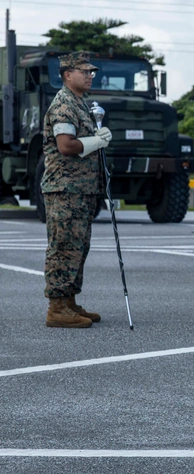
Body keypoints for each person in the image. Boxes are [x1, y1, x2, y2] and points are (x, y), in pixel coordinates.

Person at [41, 51, 111, 328]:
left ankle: (69, 300)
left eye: (92, 71)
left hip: (81, 189)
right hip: (64, 188)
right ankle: (57, 307)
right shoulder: (64, 105)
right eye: (84, 71)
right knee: (63, 247)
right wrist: (95, 141)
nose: (90, 75)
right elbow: (66, 146)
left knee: (79, 247)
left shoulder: (79, 103)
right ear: (68, 74)